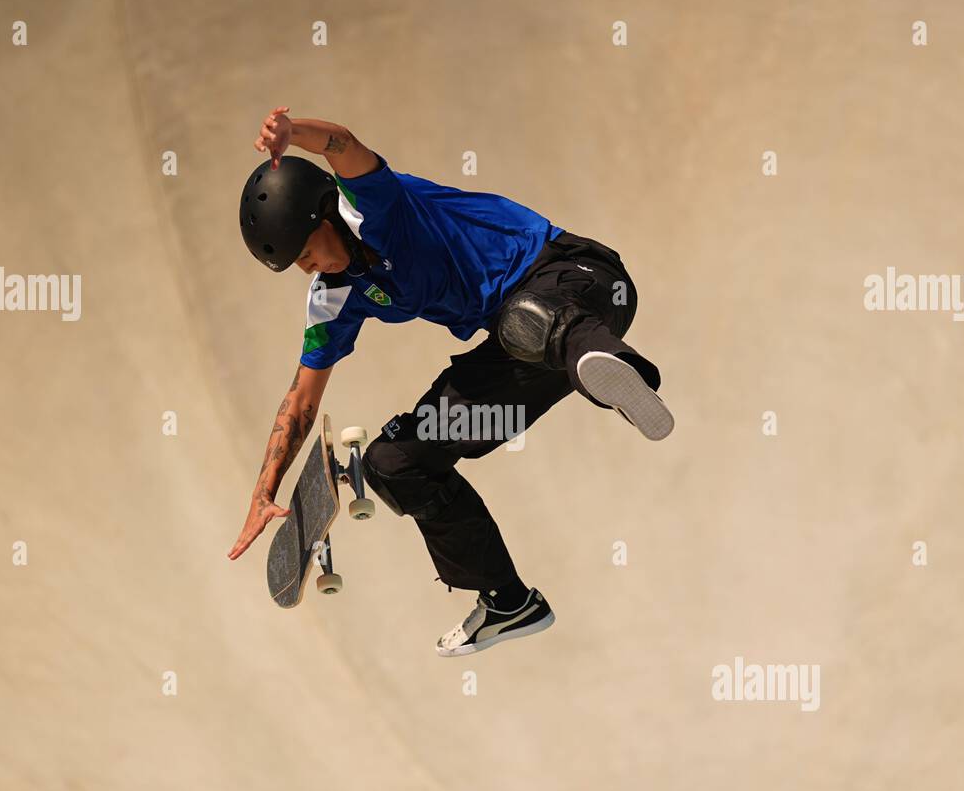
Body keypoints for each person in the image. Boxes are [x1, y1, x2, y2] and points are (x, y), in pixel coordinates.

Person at [228, 107, 673, 656]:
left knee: (525, 319)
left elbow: (343, 144)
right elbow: (301, 398)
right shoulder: (333, 296)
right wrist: (263, 490)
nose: (309, 270)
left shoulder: (374, 204)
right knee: (397, 462)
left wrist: (296, 133)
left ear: (326, 213)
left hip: (579, 279)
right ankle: (509, 601)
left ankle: (620, 370)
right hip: (525, 358)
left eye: (306, 252)